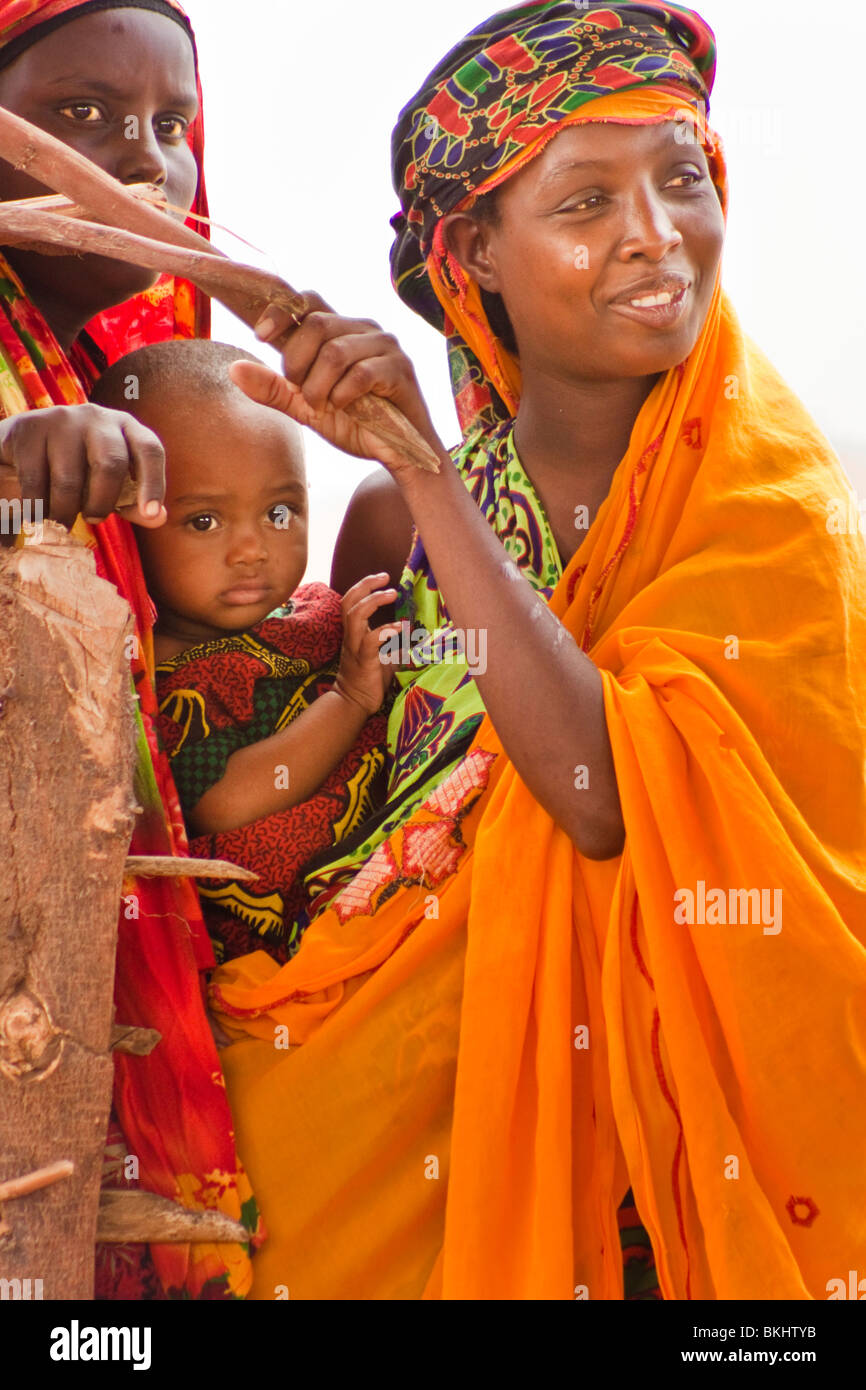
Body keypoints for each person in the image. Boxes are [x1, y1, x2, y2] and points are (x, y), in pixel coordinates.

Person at [209, 1, 866, 1300]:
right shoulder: (391, 529)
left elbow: (603, 799)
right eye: (582, 202)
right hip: (326, 1146)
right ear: (476, 256)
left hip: (637, 1193)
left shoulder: (770, 518)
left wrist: (426, 474)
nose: (653, 234)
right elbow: (312, 830)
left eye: (682, 177)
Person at [0, 0, 261, 1299]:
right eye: (78, 117)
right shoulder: (37, 408)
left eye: (172, 124)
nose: (146, 157)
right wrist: (9, 482)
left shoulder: (127, 381)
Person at [92, 339, 395, 965]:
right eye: (205, 522)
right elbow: (223, 803)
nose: (253, 549)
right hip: (283, 951)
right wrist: (350, 698)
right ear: (124, 520)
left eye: (280, 512)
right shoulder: (163, 687)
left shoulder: (308, 618)